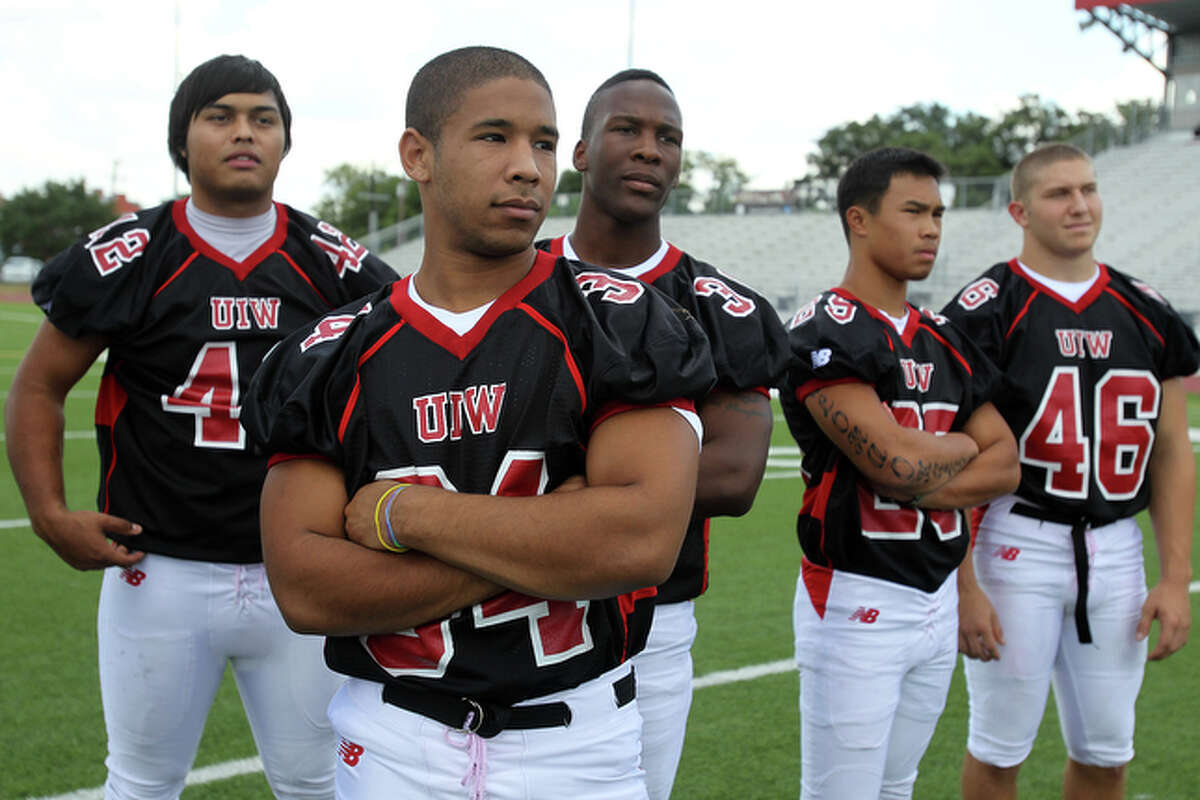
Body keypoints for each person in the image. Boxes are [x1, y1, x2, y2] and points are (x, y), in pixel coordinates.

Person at [240, 46, 715, 800]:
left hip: (579, 744)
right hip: (392, 739)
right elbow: (306, 590)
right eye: (495, 137)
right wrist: (553, 539)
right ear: (417, 154)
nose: (528, 166)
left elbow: (638, 542)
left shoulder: (620, 321)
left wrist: (407, 513)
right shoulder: (326, 356)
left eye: (546, 142)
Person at [4, 54, 397, 799]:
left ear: (286, 141)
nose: (244, 132)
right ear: (181, 142)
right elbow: (39, 387)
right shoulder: (135, 253)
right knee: (142, 784)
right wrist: (49, 515)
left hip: (298, 569)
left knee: (318, 784)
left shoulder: (334, 264)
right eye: (220, 116)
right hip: (159, 570)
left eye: (263, 118)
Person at [537, 68, 789, 800]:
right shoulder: (513, 279)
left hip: (654, 616)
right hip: (512, 608)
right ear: (581, 152)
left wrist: (543, 502)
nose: (650, 149)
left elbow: (736, 479)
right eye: (627, 130)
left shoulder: (722, 306)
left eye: (667, 137)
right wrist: (619, 496)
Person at [942, 142, 1197, 800]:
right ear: (1020, 211)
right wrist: (964, 585)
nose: (1080, 205)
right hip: (1015, 541)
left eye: (1088, 189)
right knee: (999, 749)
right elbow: (951, 459)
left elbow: (1171, 451)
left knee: (1108, 752)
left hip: (1115, 549)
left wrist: (1176, 576)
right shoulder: (987, 309)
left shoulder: (1148, 309)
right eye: (1060, 193)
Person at [779, 147, 1019, 800]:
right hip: (857, 596)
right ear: (858, 219)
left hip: (937, 593)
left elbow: (1006, 461)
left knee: (897, 788)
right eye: (914, 211)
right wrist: (954, 450)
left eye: (938, 213)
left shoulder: (944, 336)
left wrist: (924, 469)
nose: (932, 228)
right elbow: (893, 461)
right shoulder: (822, 329)